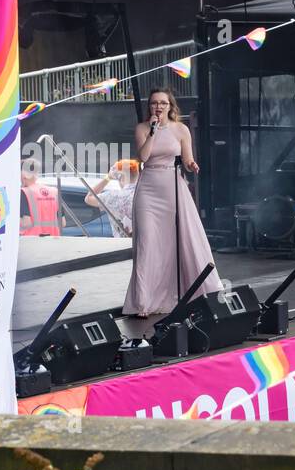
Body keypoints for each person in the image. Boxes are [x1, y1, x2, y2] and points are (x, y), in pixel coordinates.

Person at [123, 88, 222, 318]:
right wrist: (153, 132)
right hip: (148, 188)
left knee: (180, 240)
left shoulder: (181, 129)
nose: (158, 107)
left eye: (163, 103)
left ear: (170, 106)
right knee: (147, 243)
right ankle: (143, 303)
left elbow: (187, 159)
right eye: (154, 103)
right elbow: (144, 157)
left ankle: (188, 294)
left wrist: (192, 166)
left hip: (173, 187)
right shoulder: (143, 128)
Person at [84, 159, 138, 237]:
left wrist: (108, 178)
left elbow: (88, 198)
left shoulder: (113, 196)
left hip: (123, 245)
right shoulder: (148, 194)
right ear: (137, 175)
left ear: (121, 178)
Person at [20, 157, 61, 237]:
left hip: (31, 242)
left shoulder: (24, 192)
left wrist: (8, 217)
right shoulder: (54, 191)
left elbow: (26, 223)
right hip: (53, 241)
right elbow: (62, 223)